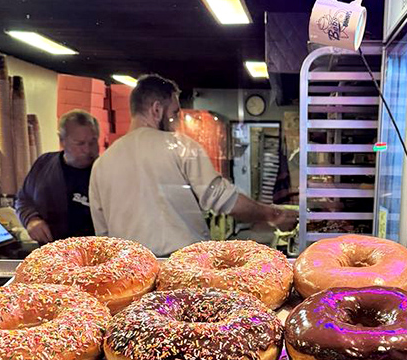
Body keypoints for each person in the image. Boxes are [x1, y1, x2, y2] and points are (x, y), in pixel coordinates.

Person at [89, 74, 297, 255]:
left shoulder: (101, 164)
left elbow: (104, 236)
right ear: (156, 110)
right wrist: (272, 215)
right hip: (180, 265)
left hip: (132, 271)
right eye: (174, 114)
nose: (177, 122)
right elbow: (223, 199)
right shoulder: (181, 147)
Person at [15, 109, 99, 244]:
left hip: (96, 256)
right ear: (62, 140)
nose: (87, 149)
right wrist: (31, 219)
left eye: (92, 142)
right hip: (52, 255)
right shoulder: (43, 165)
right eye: (80, 143)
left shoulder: (105, 172)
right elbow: (23, 199)